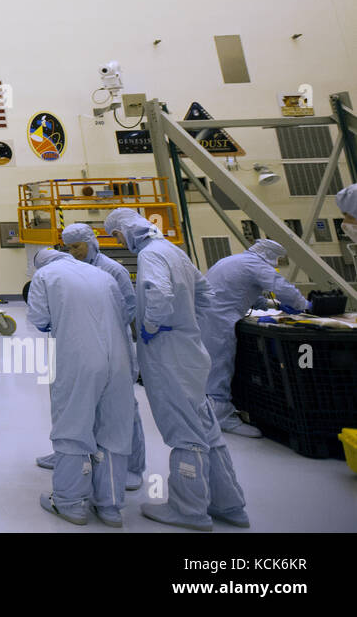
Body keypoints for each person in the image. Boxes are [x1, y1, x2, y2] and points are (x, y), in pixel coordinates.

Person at [104, 209, 248, 530]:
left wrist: (154, 326)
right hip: (191, 351)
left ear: (127, 229)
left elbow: (159, 293)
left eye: (116, 235)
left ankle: (189, 509)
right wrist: (187, 323)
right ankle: (229, 504)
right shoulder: (173, 250)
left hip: (167, 357)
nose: (118, 241)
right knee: (206, 428)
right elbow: (206, 294)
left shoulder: (151, 256)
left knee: (184, 433)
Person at [26, 248, 134, 527]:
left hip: (79, 358)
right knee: (113, 430)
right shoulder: (101, 274)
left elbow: (38, 320)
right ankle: (110, 507)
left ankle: (70, 503)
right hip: (119, 359)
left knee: (73, 426)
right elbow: (124, 312)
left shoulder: (45, 275)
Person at [35, 223, 145, 491]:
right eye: (69, 248)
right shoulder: (73, 269)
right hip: (75, 346)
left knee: (121, 411)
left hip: (111, 345)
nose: (74, 252)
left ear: (91, 241)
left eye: (77, 246)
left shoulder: (111, 270)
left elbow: (128, 308)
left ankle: (132, 466)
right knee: (77, 407)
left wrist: (94, 328)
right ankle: (76, 455)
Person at [201, 239, 308, 437]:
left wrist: (274, 305)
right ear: (270, 256)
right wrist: (305, 306)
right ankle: (222, 416)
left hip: (208, 315)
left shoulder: (233, 261)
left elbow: (245, 293)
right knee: (220, 365)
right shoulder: (255, 265)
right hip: (220, 318)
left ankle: (211, 411)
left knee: (212, 365)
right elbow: (283, 288)